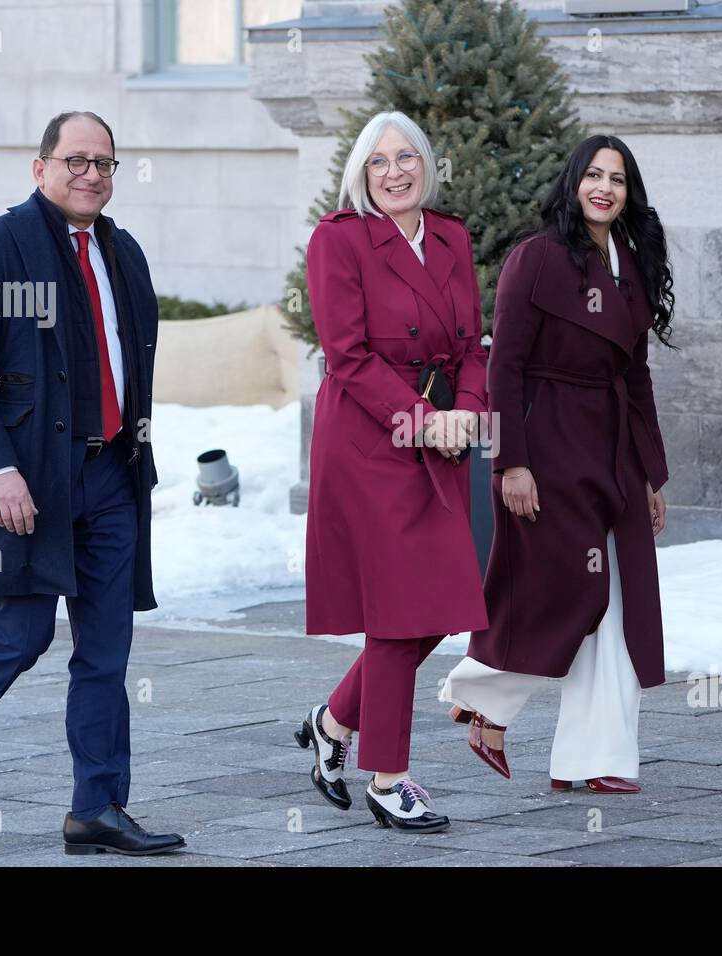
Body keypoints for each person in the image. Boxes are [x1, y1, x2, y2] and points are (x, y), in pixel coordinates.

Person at [0, 111, 184, 855]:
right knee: (17, 637)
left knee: (106, 653)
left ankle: (97, 807)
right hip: (31, 482)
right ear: (40, 166)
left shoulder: (125, 252)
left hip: (113, 476)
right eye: (76, 160)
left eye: (106, 163)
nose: (92, 175)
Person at [438, 135, 672, 794]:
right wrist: (511, 462)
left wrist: (651, 474)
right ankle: (482, 695)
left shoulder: (633, 262)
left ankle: (592, 758)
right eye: (593, 175)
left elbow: (637, 375)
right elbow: (503, 365)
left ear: (629, 194)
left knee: (619, 604)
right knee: (571, 591)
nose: (605, 187)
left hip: (615, 448)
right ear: (573, 183)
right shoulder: (534, 259)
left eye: (618, 179)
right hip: (546, 444)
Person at [296, 111, 489, 831]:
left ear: (426, 164)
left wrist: (467, 409)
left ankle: (335, 720)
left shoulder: (451, 236)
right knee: (398, 607)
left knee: (441, 604)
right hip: (370, 441)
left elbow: (472, 344)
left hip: (442, 433)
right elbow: (346, 356)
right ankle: (390, 777)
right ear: (361, 174)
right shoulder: (337, 240)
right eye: (379, 162)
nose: (395, 171)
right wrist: (422, 419)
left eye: (407, 157)